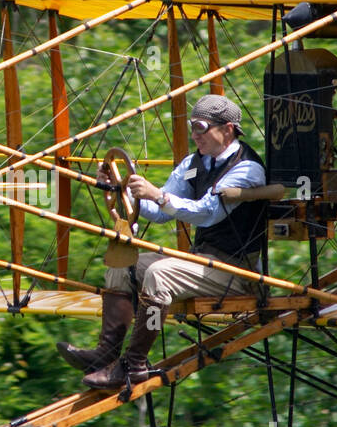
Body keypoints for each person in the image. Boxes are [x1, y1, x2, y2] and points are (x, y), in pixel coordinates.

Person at [57, 94, 268, 389]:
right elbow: (158, 212)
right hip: (202, 261)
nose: (194, 135)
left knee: (160, 275)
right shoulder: (194, 163)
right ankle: (105, 354)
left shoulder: (247, 169)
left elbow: (207, 213)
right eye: (192, 127)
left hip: (235, 271)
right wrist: (121, 190)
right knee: (123, 265)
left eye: (201, 127)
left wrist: (157, 194)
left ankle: (135, 365)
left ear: (228, 129)